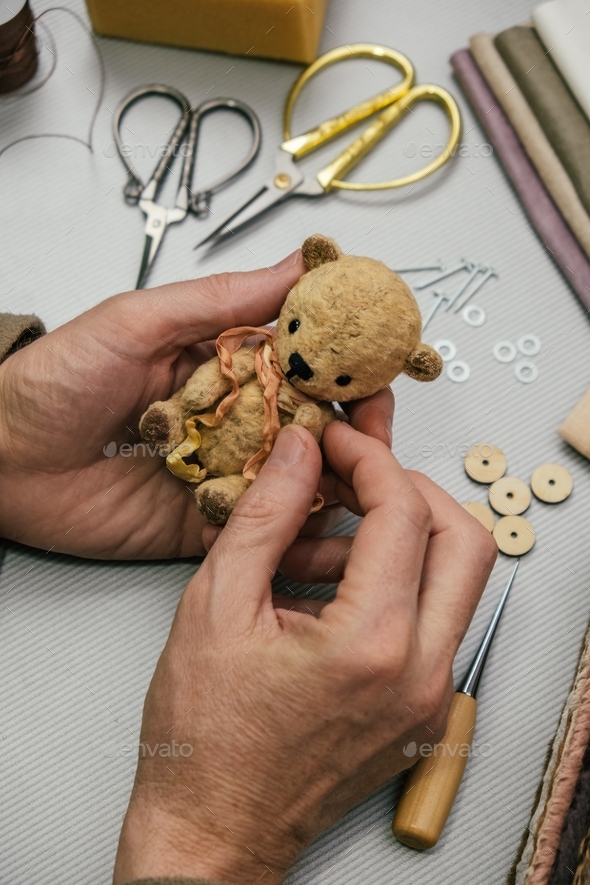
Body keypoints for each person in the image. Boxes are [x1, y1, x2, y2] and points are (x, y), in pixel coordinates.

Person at [0, 250, 497, 884]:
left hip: (233, 473)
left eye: (344, 375)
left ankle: (226, 493)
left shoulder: (311, 417)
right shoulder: (246, 356)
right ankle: (172, 429)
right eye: (298, 330)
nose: (302, 363)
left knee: (256, 485)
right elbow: (212, 379)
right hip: (184, 435)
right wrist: (219, 836)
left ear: (410, 366)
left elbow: (297, 446)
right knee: (205, 418)